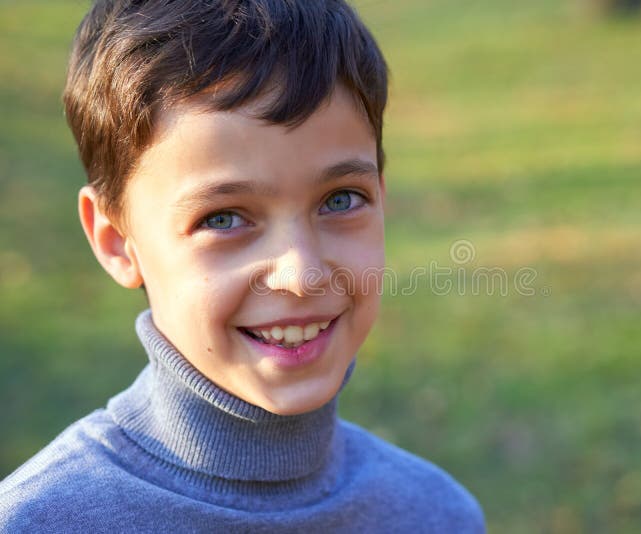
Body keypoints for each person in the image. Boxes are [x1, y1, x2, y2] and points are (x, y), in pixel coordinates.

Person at [0, 1, 485, 531]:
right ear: (117, 241)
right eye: (224, 217)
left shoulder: (436, 514)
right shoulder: (39, 521)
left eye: (341, 200)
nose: (302, 275)